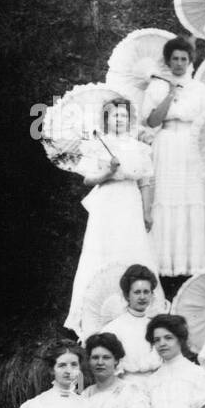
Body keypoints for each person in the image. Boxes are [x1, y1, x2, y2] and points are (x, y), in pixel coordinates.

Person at [63, 96, 155, 336]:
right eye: (115, 116)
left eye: (124, 116)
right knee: (102, 250)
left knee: (131, 247)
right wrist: (108, 171)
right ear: (107, 119)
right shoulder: (98, 144)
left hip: (130, 202)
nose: (120, 120)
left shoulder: (138, 147)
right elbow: (88, 179)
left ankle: (137, 310)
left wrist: (146, 211)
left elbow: (145, 181)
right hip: (107, 204)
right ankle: (94, 313)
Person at [143, 36, 205, 278]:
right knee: (167, 196)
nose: (180, 63)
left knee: (191, 197)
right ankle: (163, 266)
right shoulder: (157, 86)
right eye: (175, 59)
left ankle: (192, 266)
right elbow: (152, 121)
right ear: (168, 60)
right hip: (166, 144)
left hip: (191, 146)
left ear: (190, 61)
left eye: (184, 59)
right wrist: (169, 94)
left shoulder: (201, 89)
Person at [101, 264, 163, 387]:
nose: (142, 297)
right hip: (125, 388)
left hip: (156, 386)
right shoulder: (113, 328)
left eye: (146, 292)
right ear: (127, 295)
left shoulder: (156, 327)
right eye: (137, 292)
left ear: (151, 294)